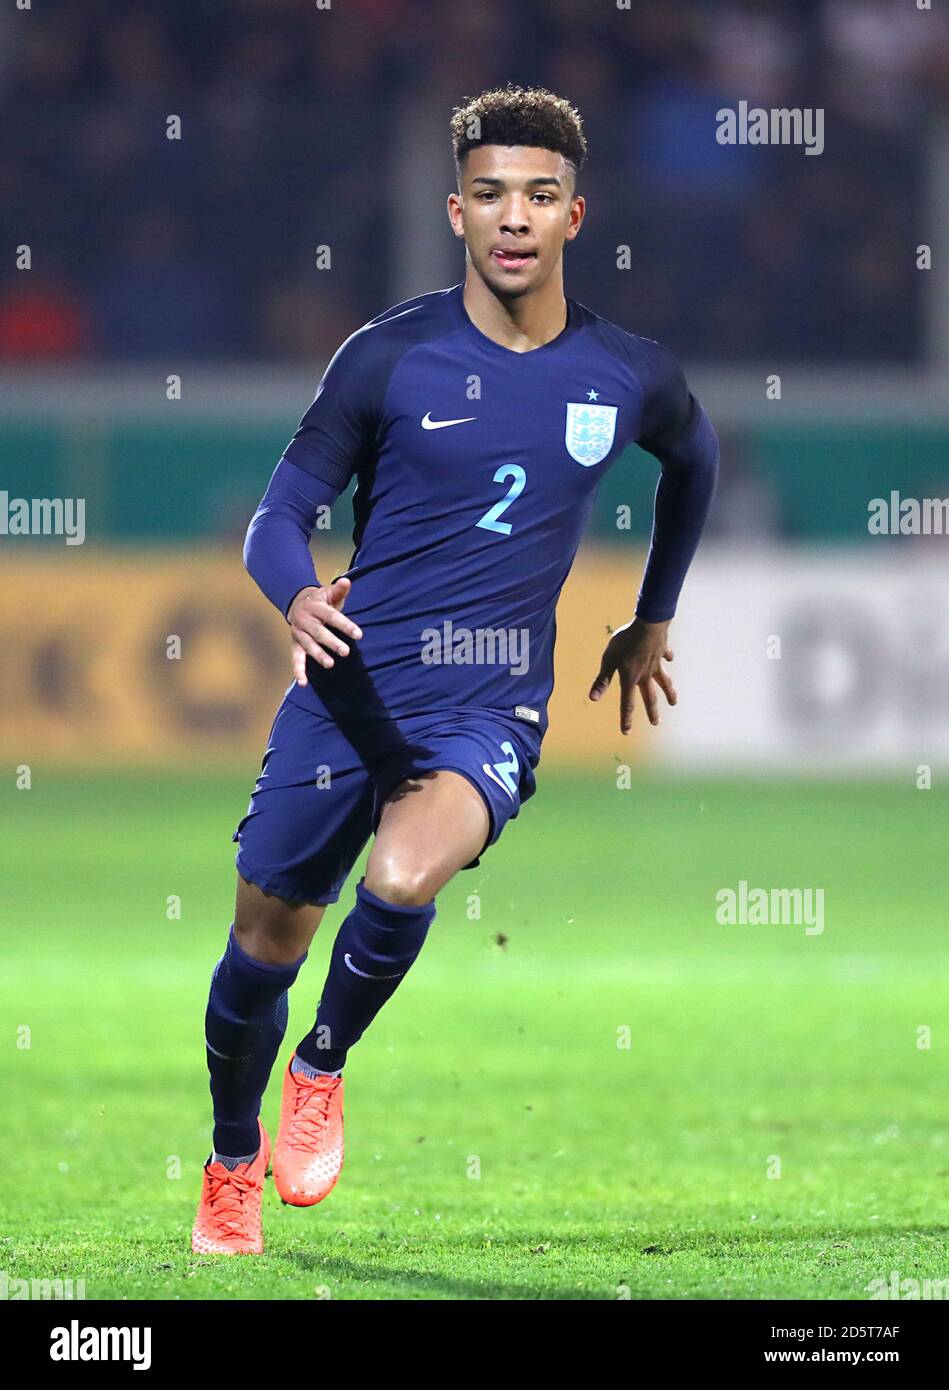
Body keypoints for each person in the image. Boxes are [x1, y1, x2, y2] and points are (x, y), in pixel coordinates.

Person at [192, 85, 719, 1255]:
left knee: (400, 876)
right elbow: (278, 515)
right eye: (490, 196)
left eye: (538, 195)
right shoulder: (388, 357)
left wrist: (652, 613)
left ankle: (320, 1072)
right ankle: (231, 1158)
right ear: (456, 212)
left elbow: (696, 456)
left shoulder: (623, 373)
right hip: (352, 690)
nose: (514, 218)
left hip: (490, 702)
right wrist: (298, 592)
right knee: (260, 951)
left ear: (575, 214)